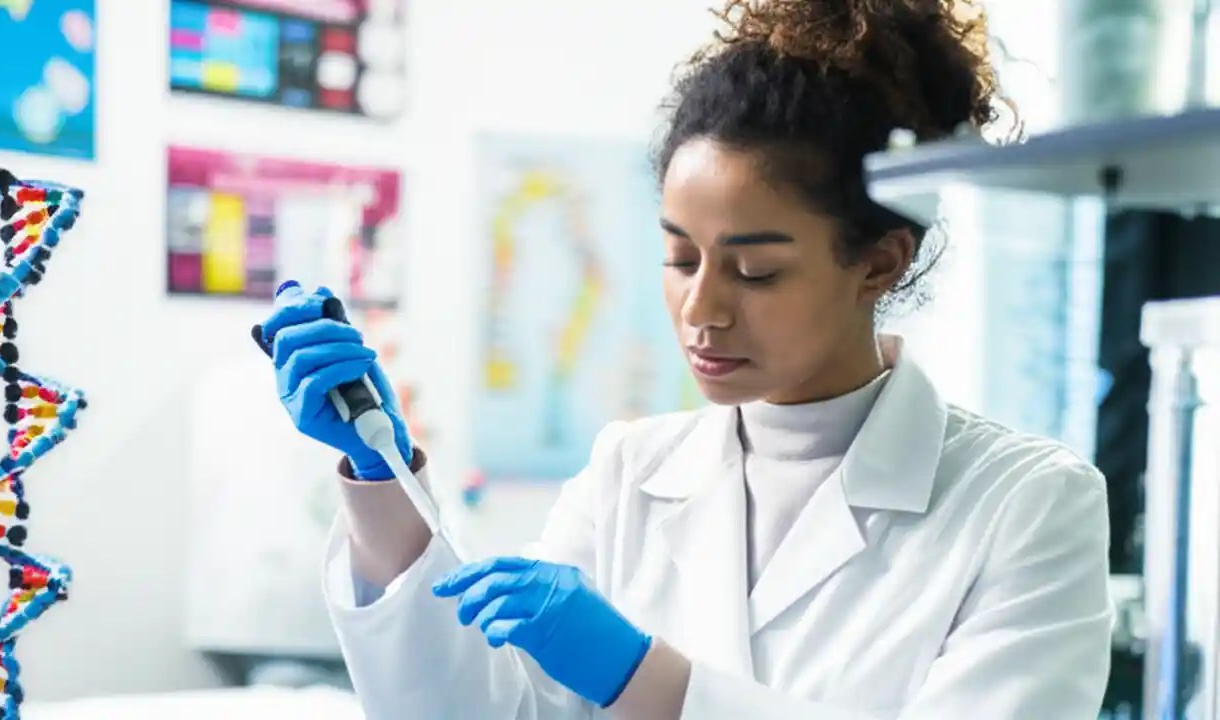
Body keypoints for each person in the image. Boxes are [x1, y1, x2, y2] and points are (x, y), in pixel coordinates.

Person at [257, 1, 1113, 717]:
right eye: (679, 258)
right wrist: (382, 493)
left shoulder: (1029, 504)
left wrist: (649, 681)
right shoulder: (631, 471)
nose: (701, 309)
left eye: (755, 270)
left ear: (879, 261)